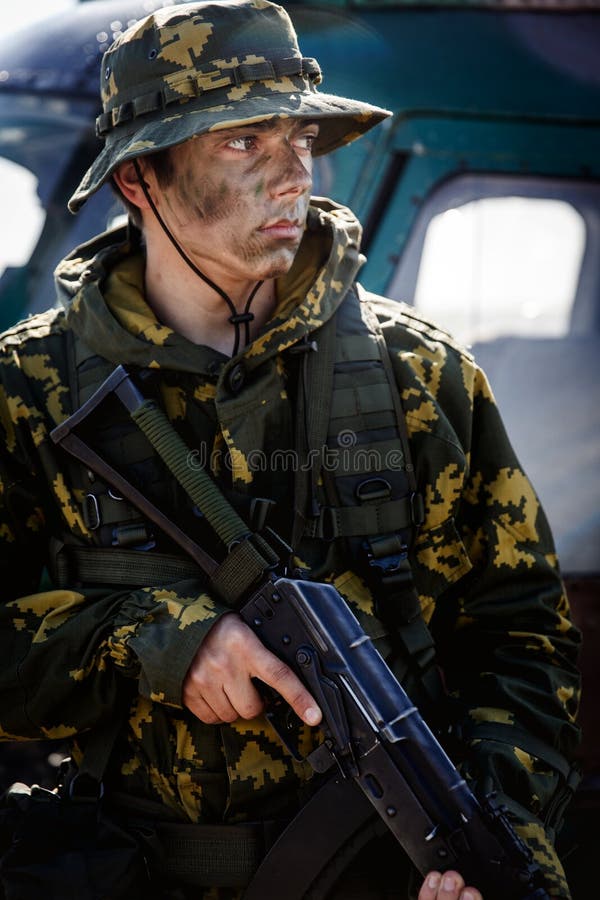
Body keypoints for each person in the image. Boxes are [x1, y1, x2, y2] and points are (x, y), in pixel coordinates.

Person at [0, 1, 581, 898]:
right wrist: (158, 646)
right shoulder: (27, 389)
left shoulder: (421, 378)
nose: (291, 174)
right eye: (242, 142)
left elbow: (520, 638)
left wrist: (495, 832)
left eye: (300, 136)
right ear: (139, 178)